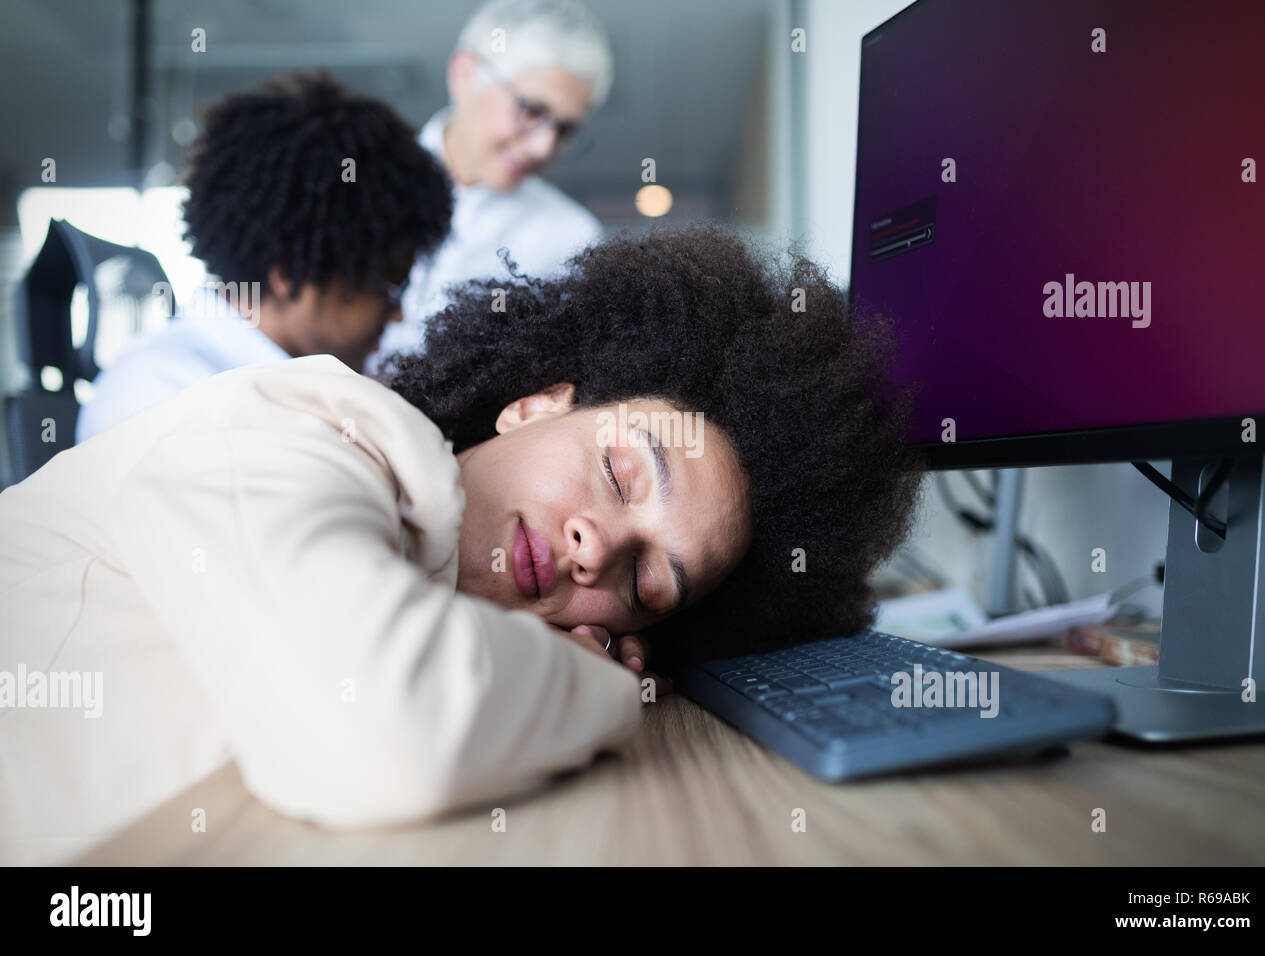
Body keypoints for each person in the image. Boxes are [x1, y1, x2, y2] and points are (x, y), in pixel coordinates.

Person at [0, 224, 921, 864]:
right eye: (620, 474)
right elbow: (384, 731)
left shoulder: (433, 588)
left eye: (647, 581)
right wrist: (607, 686)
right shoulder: (303, 430)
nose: (597, 552)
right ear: (534, 403)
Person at [75, 72, 454, 443]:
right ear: (292, 272)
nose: (399, 313)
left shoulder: (311, 387)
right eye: (390, 284)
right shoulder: (161, 395)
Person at [374, 0, 611, 359]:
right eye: (532, 110)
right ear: (465, 74)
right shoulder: (363, 185)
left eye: (565, 130)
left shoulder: (572, 240)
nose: (543, 147)